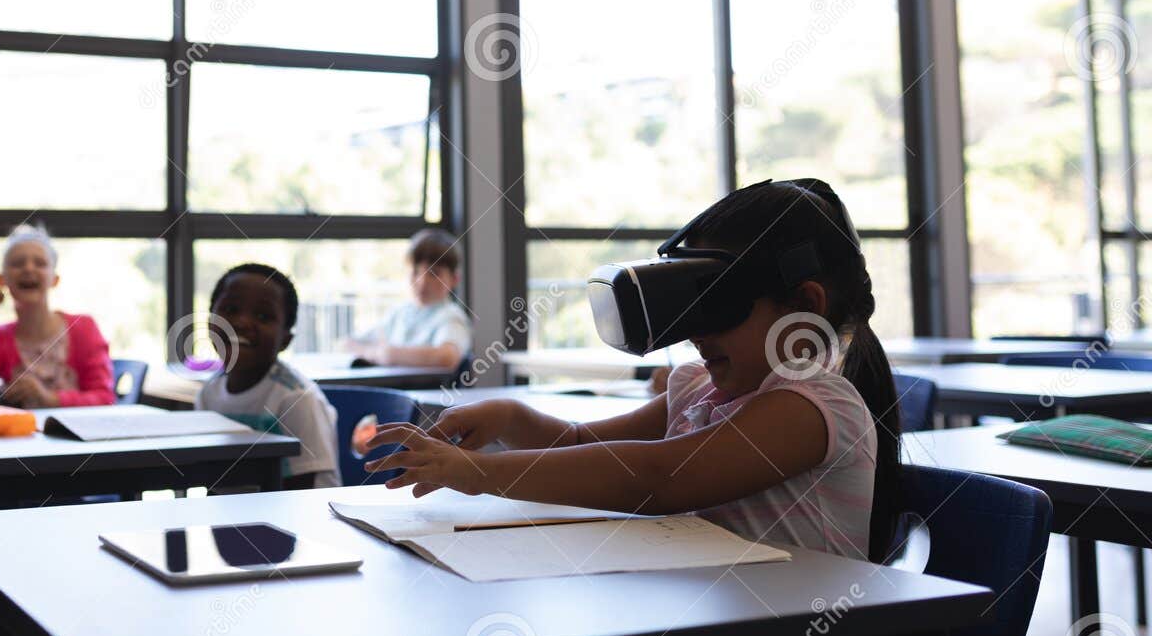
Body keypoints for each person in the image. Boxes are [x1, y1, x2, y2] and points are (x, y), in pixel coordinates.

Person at [367, 180, 899, 569]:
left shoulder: (816, 407)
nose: (697, 332)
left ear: (803, 308)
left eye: (720, 307)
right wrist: (510, 416)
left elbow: (659, 477)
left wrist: (480, 474)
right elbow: (577, 442)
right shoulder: (698, 387)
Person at [197, 263, 340, 487]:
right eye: (231, 310)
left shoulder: (295, 399)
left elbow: (302, 490)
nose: (242, 322)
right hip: (236, 518)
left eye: (263, 316)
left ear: (285, 340)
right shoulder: (208, 394)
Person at [0, 223, 116, 408]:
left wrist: (50, 399)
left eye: (40, 263)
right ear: (2, 280)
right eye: (17, 263)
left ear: (54, 279)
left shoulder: (83, 328)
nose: (28, 269)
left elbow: (105, 398)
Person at [345, 228, 472, 372]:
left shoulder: (450, 316)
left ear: (454, 279)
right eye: (415, 272)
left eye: (434, 274)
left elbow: (447, 357)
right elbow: (351, 343)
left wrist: (389, 354)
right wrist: (375, 353)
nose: (422, 282)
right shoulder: (401, 313)